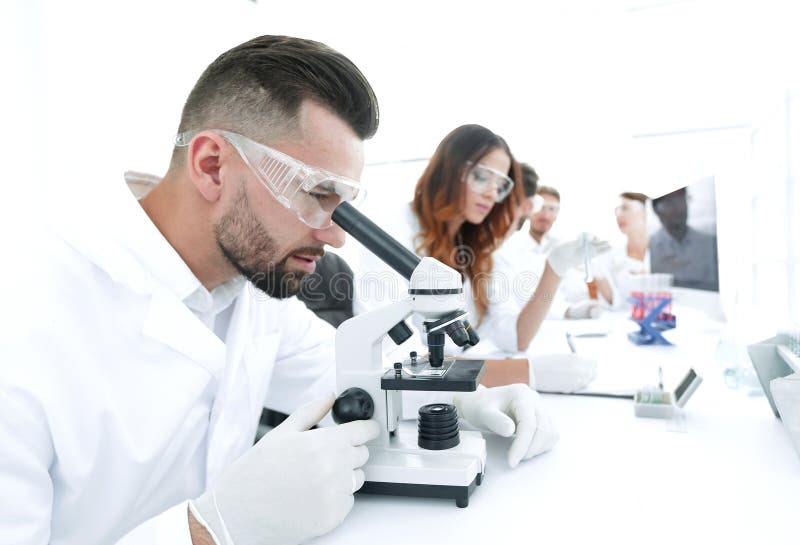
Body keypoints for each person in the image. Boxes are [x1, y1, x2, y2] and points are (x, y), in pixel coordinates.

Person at [0, 36, 559, 545]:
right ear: (213, 165)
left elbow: (354, 376)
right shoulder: (27, 316)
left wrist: (470, 401)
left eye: (344, 203)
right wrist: (207, 531)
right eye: (316, 193)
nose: (336, 232)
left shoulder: (251, 291)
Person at [356, 126, 608, 393]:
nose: (491, 193)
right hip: (415, 409)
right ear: (449, 169)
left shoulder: (474, 248)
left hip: (465, 393)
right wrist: (524, 373)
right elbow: (396, 362)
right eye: (481, 177)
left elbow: (515, 337)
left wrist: (554, 270)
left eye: (500, 186)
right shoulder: (390, 233)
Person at [495, 181, 604, 321]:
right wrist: (567, 311)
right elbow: (520, 295)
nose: (545, 215)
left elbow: (574, 289)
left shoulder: (562, 246)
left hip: (565, 325)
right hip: (528, 326)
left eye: (552, 209)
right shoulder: (511, 248)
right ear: (529, 209)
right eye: (541, 208)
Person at [650, 187, 719, 291]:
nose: (679, 208)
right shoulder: (648, 249)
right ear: (657, 210)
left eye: (681, 199)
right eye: (671, 203)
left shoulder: (710, 244)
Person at [595, 192, 651, 307]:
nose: (619, 215)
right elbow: (614, 301)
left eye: (625, 208)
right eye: (617, 210)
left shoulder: (665, 251)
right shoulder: (609, 256)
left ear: (646, 212)